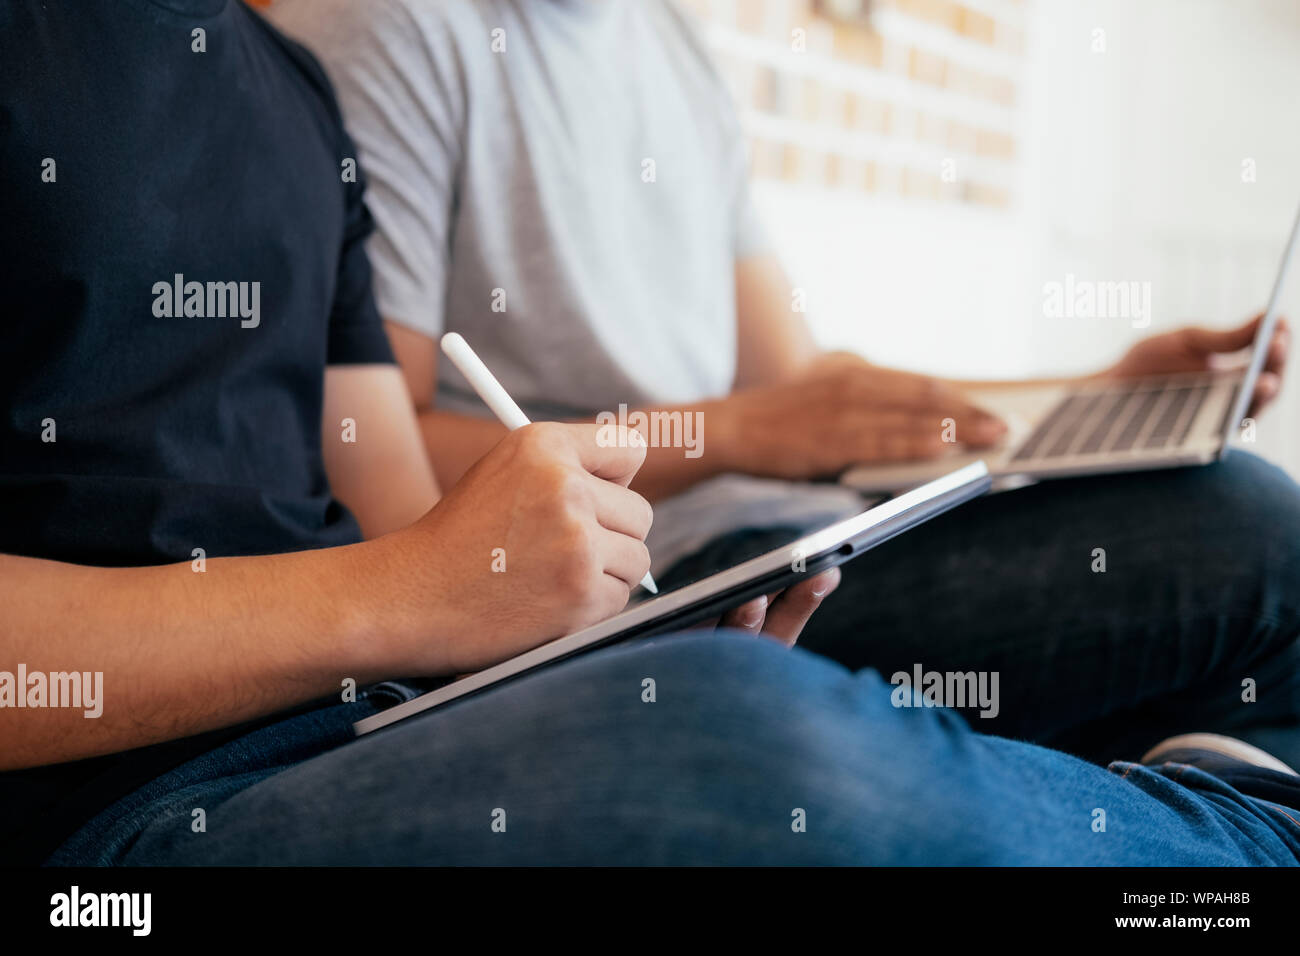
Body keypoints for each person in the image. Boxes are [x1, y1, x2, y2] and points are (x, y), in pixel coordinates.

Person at [3, 0, 1299, 868]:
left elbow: (396, 508)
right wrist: (420, 597)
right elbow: (404, 560)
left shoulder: (281, 88)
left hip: (373, 705)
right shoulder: (367, 38)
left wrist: (573, 636)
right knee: (753, 732)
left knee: (1250, 515)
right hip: (116, 824)